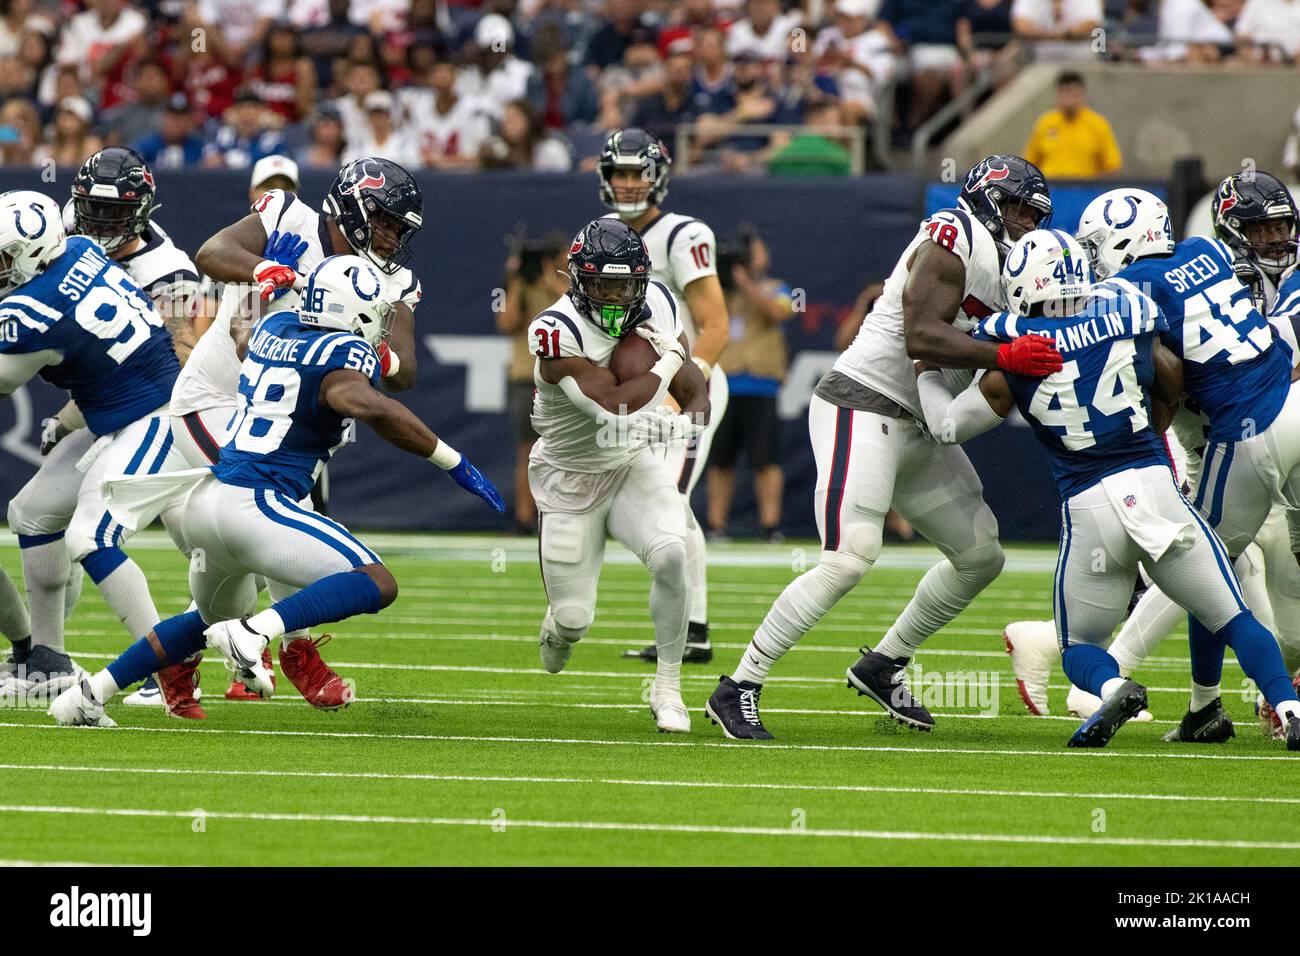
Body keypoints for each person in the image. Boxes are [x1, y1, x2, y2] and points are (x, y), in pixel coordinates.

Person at [49, 254, 505, 727]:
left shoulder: (276, 325)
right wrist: (453, 461)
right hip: (259, 505)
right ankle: (257, 632)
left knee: (203, 621)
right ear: (356, 311)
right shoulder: (344, 356)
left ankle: (86, 695)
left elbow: (244, 339)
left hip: (209, 502)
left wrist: (261, 292)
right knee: (378, 582)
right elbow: (372, 407)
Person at [705, 155, 1058, 740]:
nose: (1026, 224)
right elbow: (921, 333)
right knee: (849, 557)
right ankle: (738, 685)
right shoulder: (955, 235)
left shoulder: (1022, 266)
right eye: (1018, 209)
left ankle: (884, 662)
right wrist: (1004, 354)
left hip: (920, 422)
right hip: (863, 403)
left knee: (981, 556)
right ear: (988, 199)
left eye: (1034, 215)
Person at [916, 227, 1300, 749]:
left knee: (1077, 647)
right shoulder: (1131, 313)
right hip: (1156, 488)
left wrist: (926, 372)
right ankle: (1288, 706)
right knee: (1234, 618)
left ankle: (1114, 685)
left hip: (1090, 506)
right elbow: (1169, 377)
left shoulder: (1013, 346)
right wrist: (1156, 417)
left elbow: (947, 427)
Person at [0, 191, 186, 699]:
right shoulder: (81, 248)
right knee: (32, 513)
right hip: (118, 415)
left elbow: (4, 379)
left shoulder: (34, 307)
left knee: (91, 535)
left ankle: (166, 665)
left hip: (156, 418)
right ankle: (49, 658)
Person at [527, 218, 710, 732]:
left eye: (624, 285)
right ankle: (559, 628)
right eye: (603, 284)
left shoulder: (658, 305)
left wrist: (684, 421)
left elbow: (696, 392)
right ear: (579, 281)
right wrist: (669, 362)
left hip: (631, 465)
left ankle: (668, 687)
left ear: (641, 282)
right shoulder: (554, 329)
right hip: (568, 478)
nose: (614, 296)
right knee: (572, 621)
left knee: (673, 553)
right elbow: (613, 407)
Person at [597, 128, 730, 666]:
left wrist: (684, 387)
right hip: (639, 390)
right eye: (619, 174)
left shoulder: (682, 234)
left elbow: (717, 323)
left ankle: (688, 631)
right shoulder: (601, 234)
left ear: (657, 176)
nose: (628, 184)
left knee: (668, 501)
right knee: (675, 506)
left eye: (637, 173)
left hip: (685, 387)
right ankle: (693, 628)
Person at [706, 228, 794, 541]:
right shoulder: (717, 291)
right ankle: (716, 526)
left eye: (753, 251)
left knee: (766, 460)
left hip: (761, 387)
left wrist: (745, 283)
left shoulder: (778, 288)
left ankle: (770, 526)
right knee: (720, 461)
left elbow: (779, 312)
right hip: (723, 385)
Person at [499, 230, 570, 534]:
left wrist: (552, 284)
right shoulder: (521, 286)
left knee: (566, 451)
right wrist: (515, 279)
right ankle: (525, 518)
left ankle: (561, 515)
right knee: (527, 451)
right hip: (526, 376)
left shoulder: (568, 286)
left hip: (564, 378)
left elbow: (576, 314)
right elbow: (507, 322)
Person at [1023, 71, 1121, 180]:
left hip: (1085, 189)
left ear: (1083, 95)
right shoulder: (1045, 123)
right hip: (1051, 187)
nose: (1069, 101)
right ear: (1057, 95)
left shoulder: (1097, 124)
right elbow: (1029, 164)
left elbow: (1112, 165)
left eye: (1074, 95)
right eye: (1065, 94)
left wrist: (1094, 187)